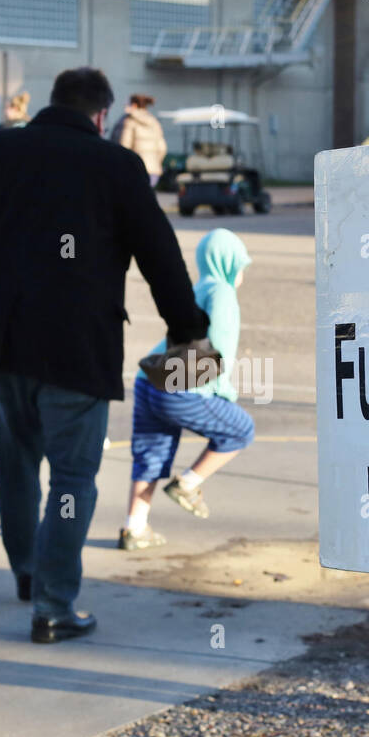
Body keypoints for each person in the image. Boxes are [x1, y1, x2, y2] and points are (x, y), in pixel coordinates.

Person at [0, 67, 209, 643]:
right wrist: (187, 328)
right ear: (103, 116)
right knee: (73, 479)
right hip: (77, 348)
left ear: (50, 104)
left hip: (2, 342)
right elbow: (161, 255)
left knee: (16, 465)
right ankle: (55, 606)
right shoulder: (116, 166)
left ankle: (29, 574)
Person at [121, 229, 255, 549]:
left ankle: (134, 529)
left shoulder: (197, 288)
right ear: (230, 263)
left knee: (150, 457)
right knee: (240, 430)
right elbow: (220, 346)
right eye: (241, 266)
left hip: (149, 380)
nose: (242, 274)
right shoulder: (222, 291)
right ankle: (188, 484)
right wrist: (222, 392)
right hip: (181, 387)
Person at [113, 94, 169, 188]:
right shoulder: (154, 122)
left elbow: (123, 147)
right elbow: (162, 148)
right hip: (153, 170)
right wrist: (156, 163)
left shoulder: (128, 121)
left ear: (134, 105)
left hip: (133, 170)